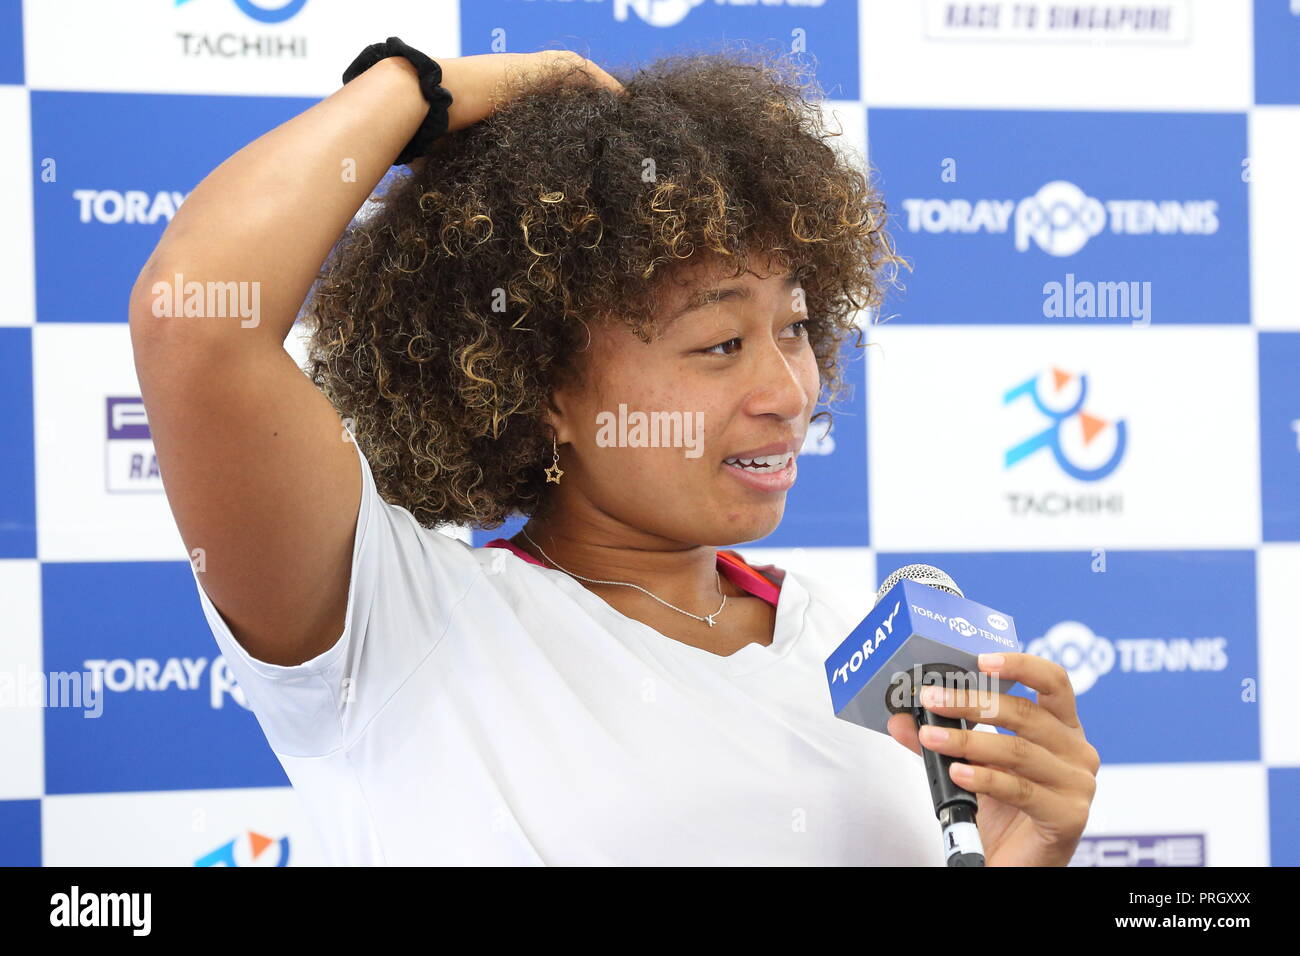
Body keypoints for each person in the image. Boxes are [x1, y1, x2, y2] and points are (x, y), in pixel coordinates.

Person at [128, 43, 1099, 865]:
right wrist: (416, 88)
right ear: (539, 378)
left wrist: (1020, 854)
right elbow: (196, 320)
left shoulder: (850, 656)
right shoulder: (395, 625)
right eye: (719, 344)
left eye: (795, 327)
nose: (787, 391)